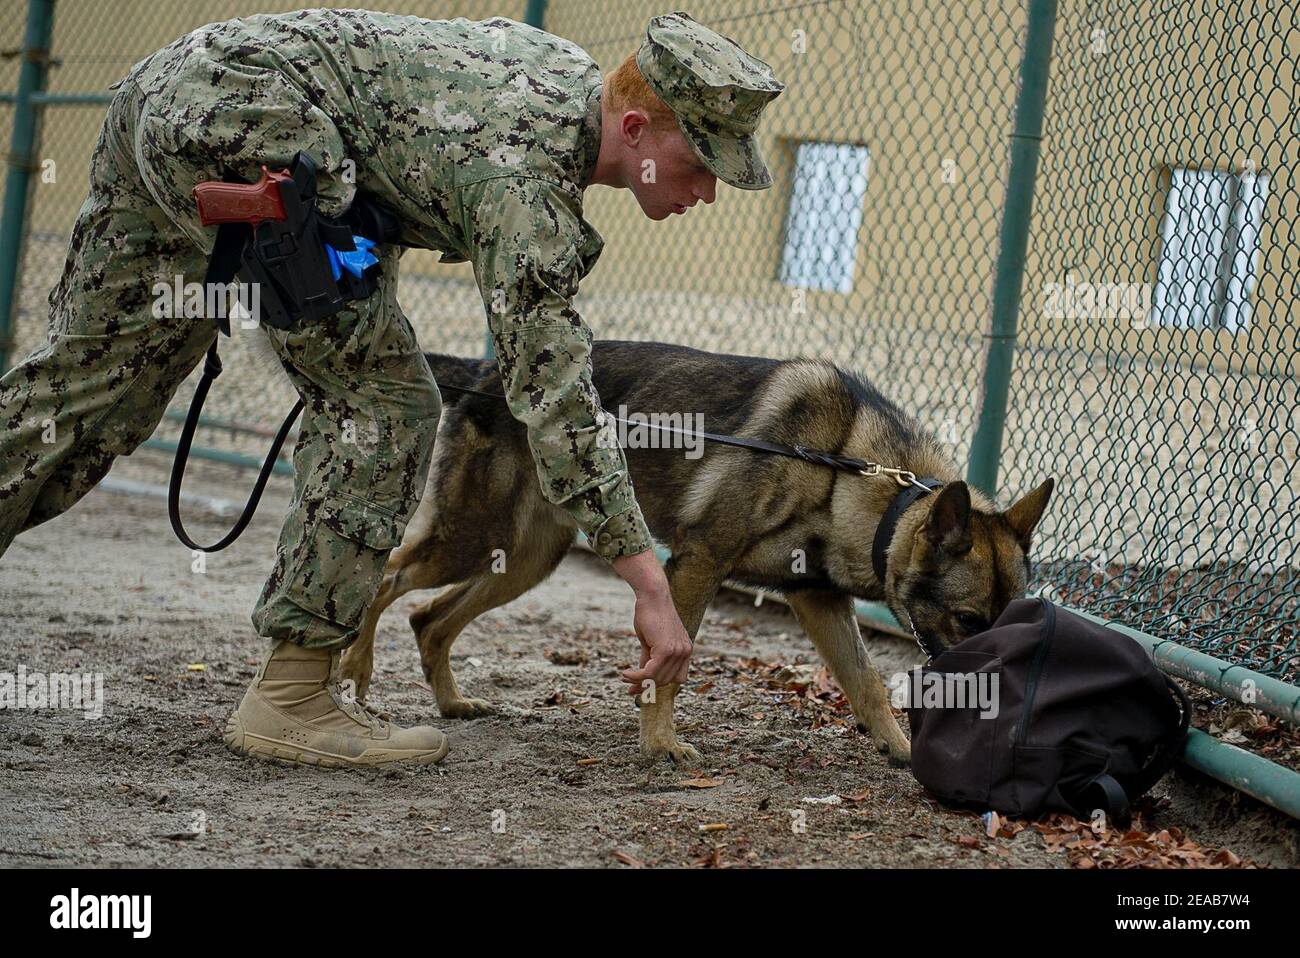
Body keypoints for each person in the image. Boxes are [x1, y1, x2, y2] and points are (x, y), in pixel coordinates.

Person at [0, 9, 783, 767]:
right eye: (701, 164)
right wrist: (649, 580)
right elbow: (554, 396)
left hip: (173, 89)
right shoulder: (528, 183)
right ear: (638, 131)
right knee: (385, 405)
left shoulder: (562, 78)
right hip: (258, 131)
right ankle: (293, 696)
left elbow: (398, 137)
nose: (706, 193)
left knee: (87, 387)